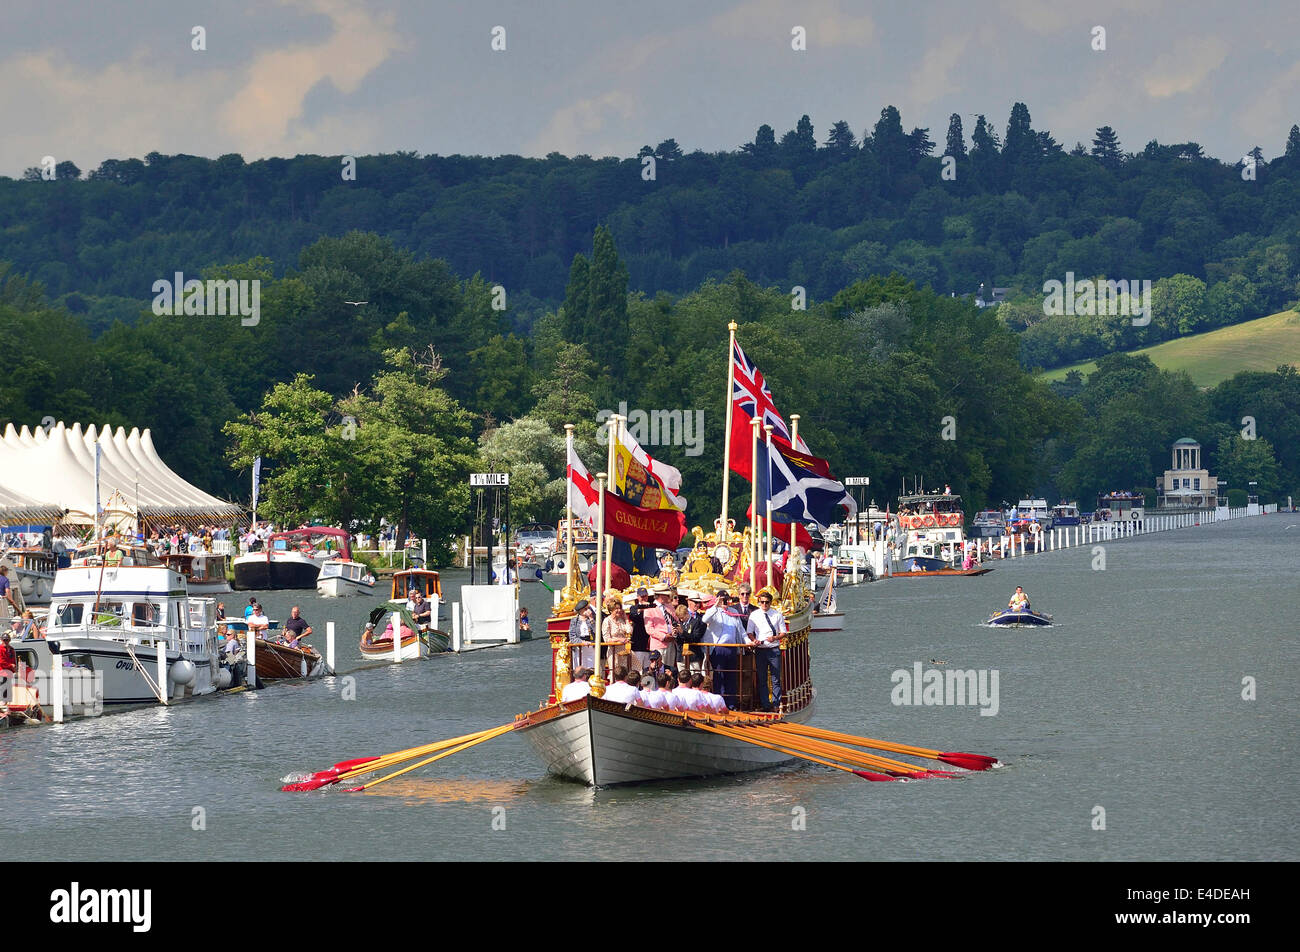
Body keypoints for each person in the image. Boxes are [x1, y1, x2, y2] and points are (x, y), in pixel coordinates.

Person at [703, 588, 747, 709]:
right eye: (723, 600)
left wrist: (749, 642)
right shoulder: (714, 611)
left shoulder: (733, 612)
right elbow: (705, 619)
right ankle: (720, 704)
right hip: (718, 648)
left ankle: (731, 704)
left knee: (731, 677)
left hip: (732, 648)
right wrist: (716, 604)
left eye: (727, 600)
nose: (725, 602)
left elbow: (741, 631)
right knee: (719, 676)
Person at [745, 589, 787, 711]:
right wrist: (754, 640)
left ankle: (775, 703)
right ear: (759, 603)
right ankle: (765, 704)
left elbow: (783, 632)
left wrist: (775, 637)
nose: (764, 605)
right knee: (762, 678)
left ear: (770, 603)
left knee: (775, 678)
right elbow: (749, 632)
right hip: (760, 650)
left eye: (767, 602)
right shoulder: (754, 615)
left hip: (773, 649)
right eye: (762, 602)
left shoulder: (777, 615)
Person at [644, 585, 678, 669]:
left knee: (669, 669)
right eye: (667, 595)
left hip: (671, 643)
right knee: (658, 668)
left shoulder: (670, 607)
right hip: (659, 644)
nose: (669, 597)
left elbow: (676, 621)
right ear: (661, 596)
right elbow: (649, 629)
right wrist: (663, 636)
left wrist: (674, 633)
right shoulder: (649, 608)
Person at [601, 597, 632, 671]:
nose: (619, 610)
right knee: (615, 673)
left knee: (627, 672)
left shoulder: (621, 620)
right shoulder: (607, 621)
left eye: (620, 608)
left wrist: (626, 619)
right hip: (613, 651)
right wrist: (619, 639)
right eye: (616, 609)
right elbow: (606, 639)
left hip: (624, 651)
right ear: (611, 610)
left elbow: (629, 631)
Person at [626, 587, 652, 670]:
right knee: (638, 669)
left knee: (648, 671)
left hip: (649, 644)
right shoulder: (634, 608)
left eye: (645, 596)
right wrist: (641, 609)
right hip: (638, 645)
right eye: (642, 596)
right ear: (638, 597)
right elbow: (633, 616)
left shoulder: (652, 607)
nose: (643, 598)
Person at [568, 600, 597, 670]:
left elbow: (597, 631)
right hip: (579, 648)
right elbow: (572, 636)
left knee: (591, 668)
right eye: (585, 609)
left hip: (590, 646)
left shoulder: (593, 618)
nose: (588, 610)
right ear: (581, 610)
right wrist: (581, 642)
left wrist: (591, 619)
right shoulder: (574, 620)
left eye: (588, 608)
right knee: (580, 668)